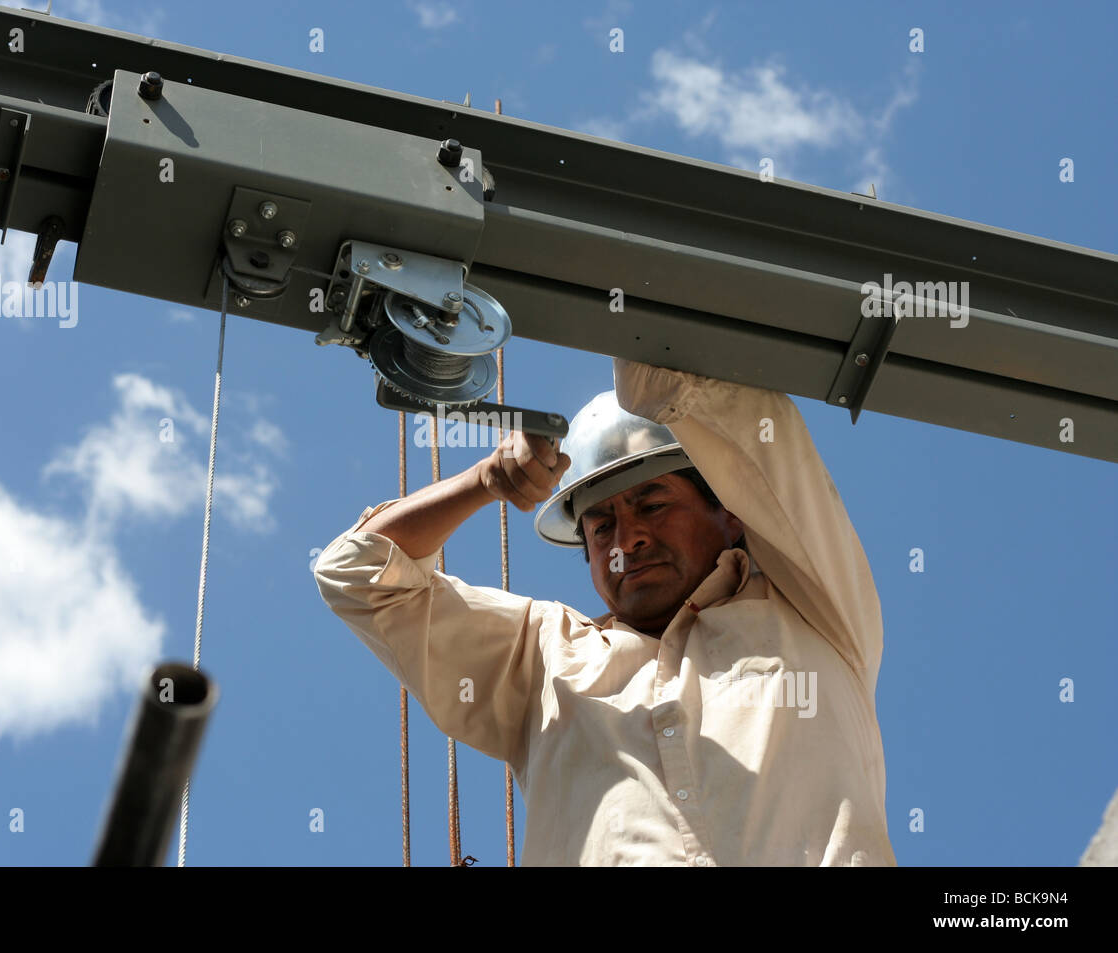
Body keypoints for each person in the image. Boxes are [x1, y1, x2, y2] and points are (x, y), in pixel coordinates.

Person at [313, 357, 895, 866]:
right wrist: (483, 480)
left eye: (652, 503)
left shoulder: (812, 604)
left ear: (731, 513)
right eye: (601, 526)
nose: (628, 538)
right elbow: (357, 573)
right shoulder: (547, 659)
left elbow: (677, 377)